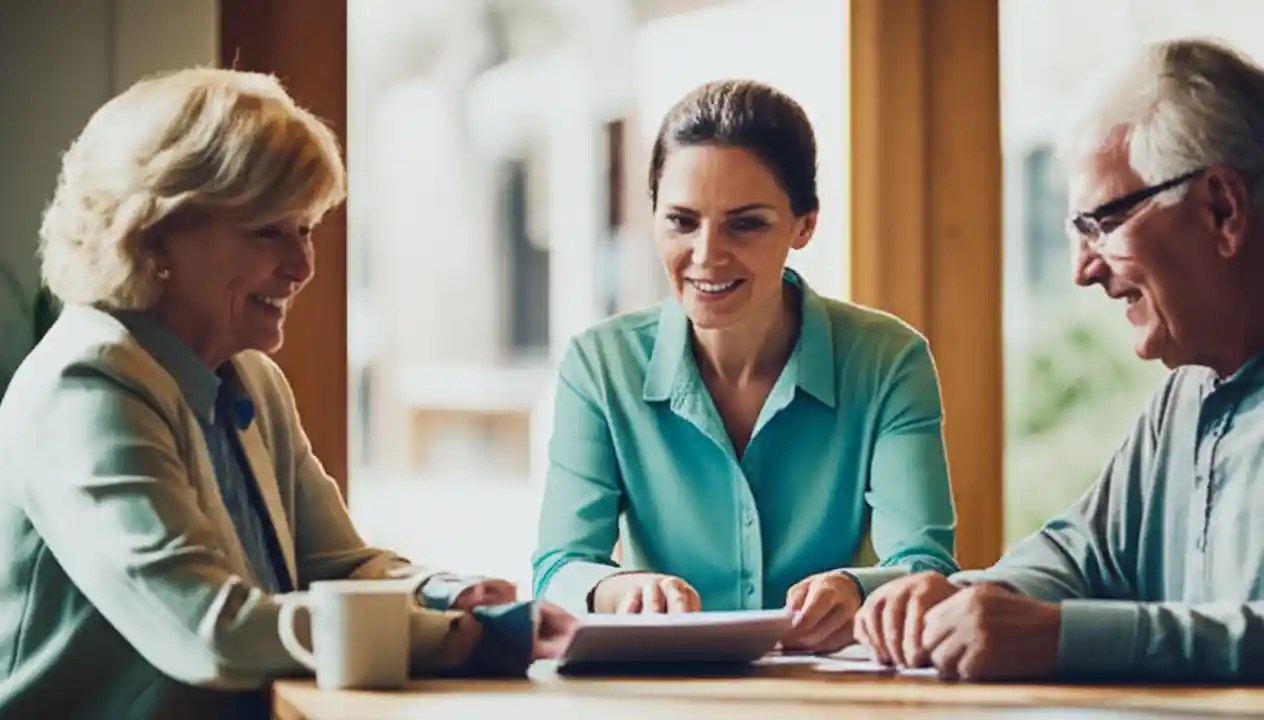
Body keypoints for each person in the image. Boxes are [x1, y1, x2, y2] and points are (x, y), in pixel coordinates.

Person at [0, 68, 569, 720]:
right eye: (267, 231)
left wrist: (447, 597)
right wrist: (455, 641)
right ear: (152, 235)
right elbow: (211, 630)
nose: (302, 266)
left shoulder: (248, 376)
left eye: (308, 228)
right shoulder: (87, 386)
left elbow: (339, 567)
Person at [854, 38, 1264, 682]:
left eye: (1103, 222)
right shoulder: (1183, 401)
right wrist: (973, 599)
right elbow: (1080, 555)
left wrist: (1064, 638)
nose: (1082, 270)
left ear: (1222, 208)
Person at [532, 79, 957, 652]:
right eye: (682, 221)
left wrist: (856, 589)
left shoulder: (889, 362)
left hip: (829, 697)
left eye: (746, 223)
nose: (707, 254)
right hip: (664, 692)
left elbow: (926, 568)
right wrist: (621, 590)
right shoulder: (599, 367)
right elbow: (559, 568)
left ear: (804, 224)